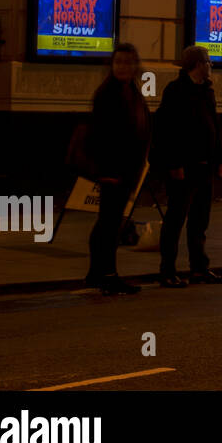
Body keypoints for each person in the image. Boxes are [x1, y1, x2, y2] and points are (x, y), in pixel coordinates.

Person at [152, 46, 222, 287]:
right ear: (197, 64)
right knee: (175, 219)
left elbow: (214, 128)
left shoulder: (207, 91)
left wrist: (221, 159)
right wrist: (174, 164)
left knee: (199, 220)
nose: (211, 66)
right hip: (183, 167)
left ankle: (199, 268)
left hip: (205, 166)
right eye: (208, 62)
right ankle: (167, 271)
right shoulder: (176, 91)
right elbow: (167, 132)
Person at [84, 42, 151, 295]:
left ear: (135, 65)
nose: (123, 66)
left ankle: (96, 273)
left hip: (128, 170)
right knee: (109, 225)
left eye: (128, 62)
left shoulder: (131, 90)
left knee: (109, 223)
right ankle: (107, 274)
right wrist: (106, 170)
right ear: (112, 65)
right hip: (113, 170)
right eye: (118, 62)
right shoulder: (108, 93)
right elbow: (100, 135)